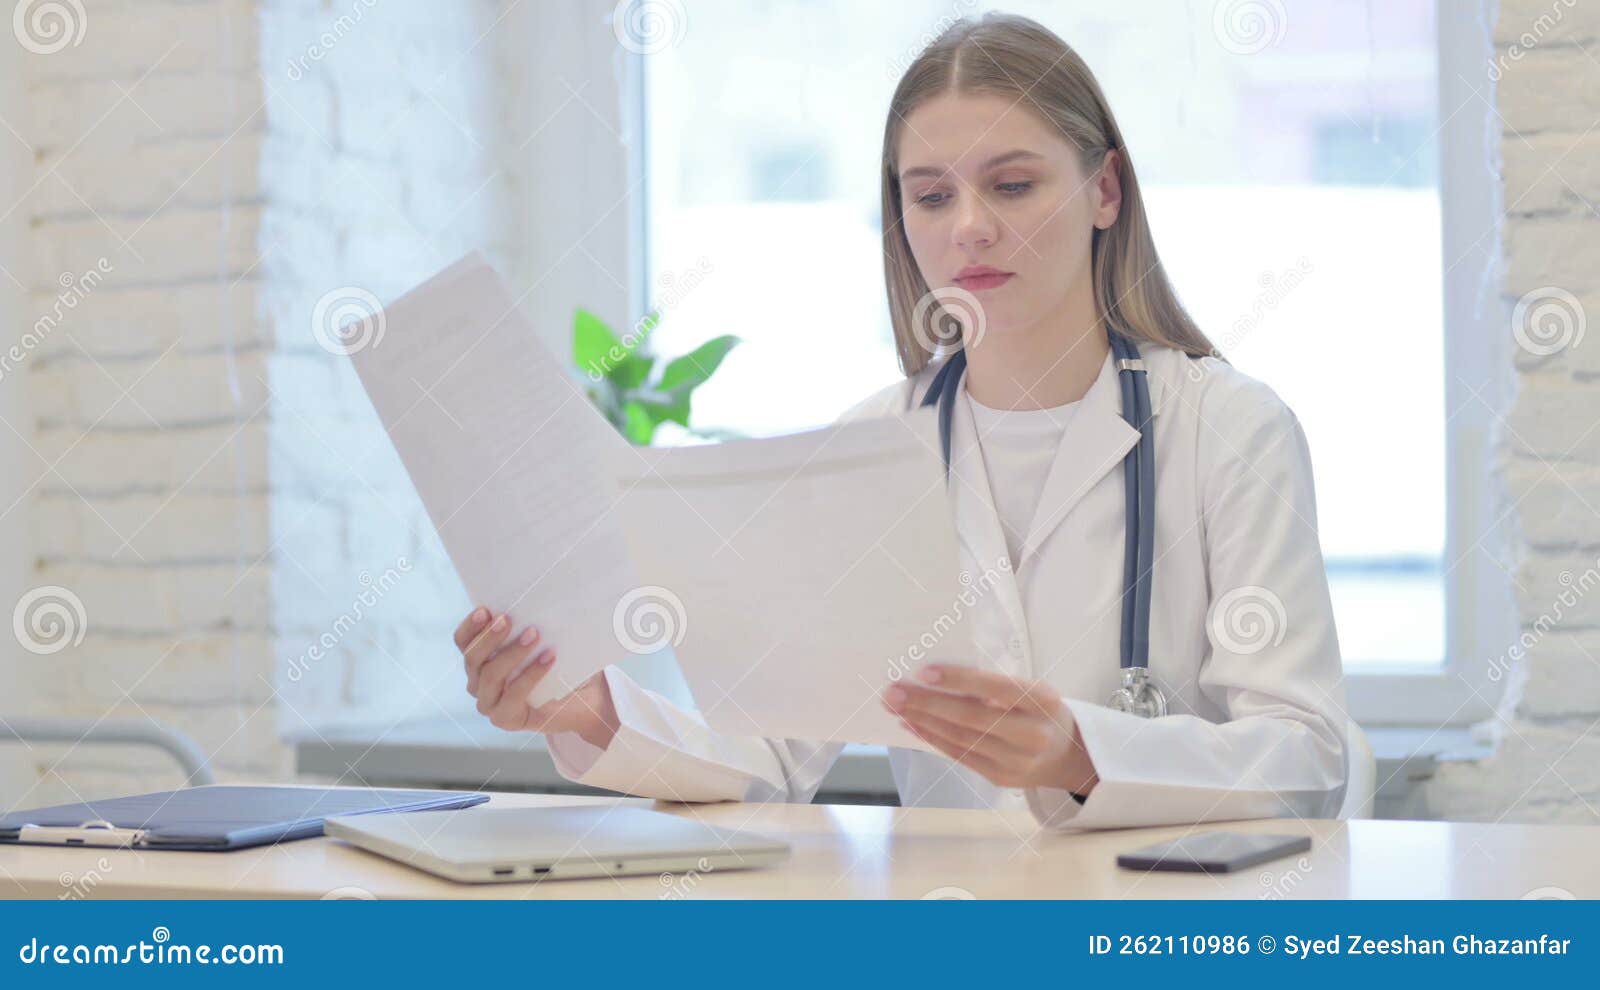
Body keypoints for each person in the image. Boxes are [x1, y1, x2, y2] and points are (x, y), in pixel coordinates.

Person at [452, 12, 1348, 830]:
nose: (970, 229)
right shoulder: (871, 446)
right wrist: (591, 712)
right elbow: (770, 760)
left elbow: (1306, 758)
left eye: (1012, 184)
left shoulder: (1230, 429)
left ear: (1105, 192)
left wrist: (1086, 755)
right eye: (930, 196)